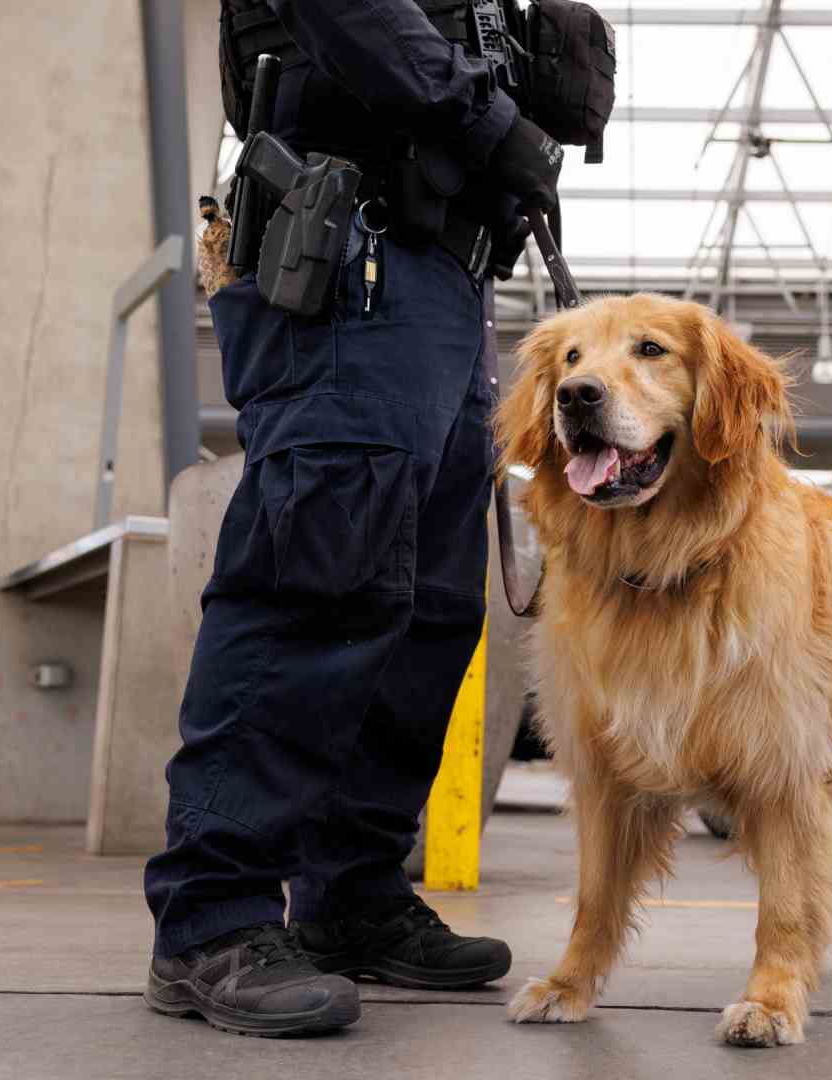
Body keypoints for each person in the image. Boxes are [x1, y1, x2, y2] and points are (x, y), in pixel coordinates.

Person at [142, 0, 564, 1039]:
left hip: (444, 284)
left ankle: (349, 896)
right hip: (353, 260)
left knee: (426, 609)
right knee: (315, 589)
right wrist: (489, 121)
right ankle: (212, 919)